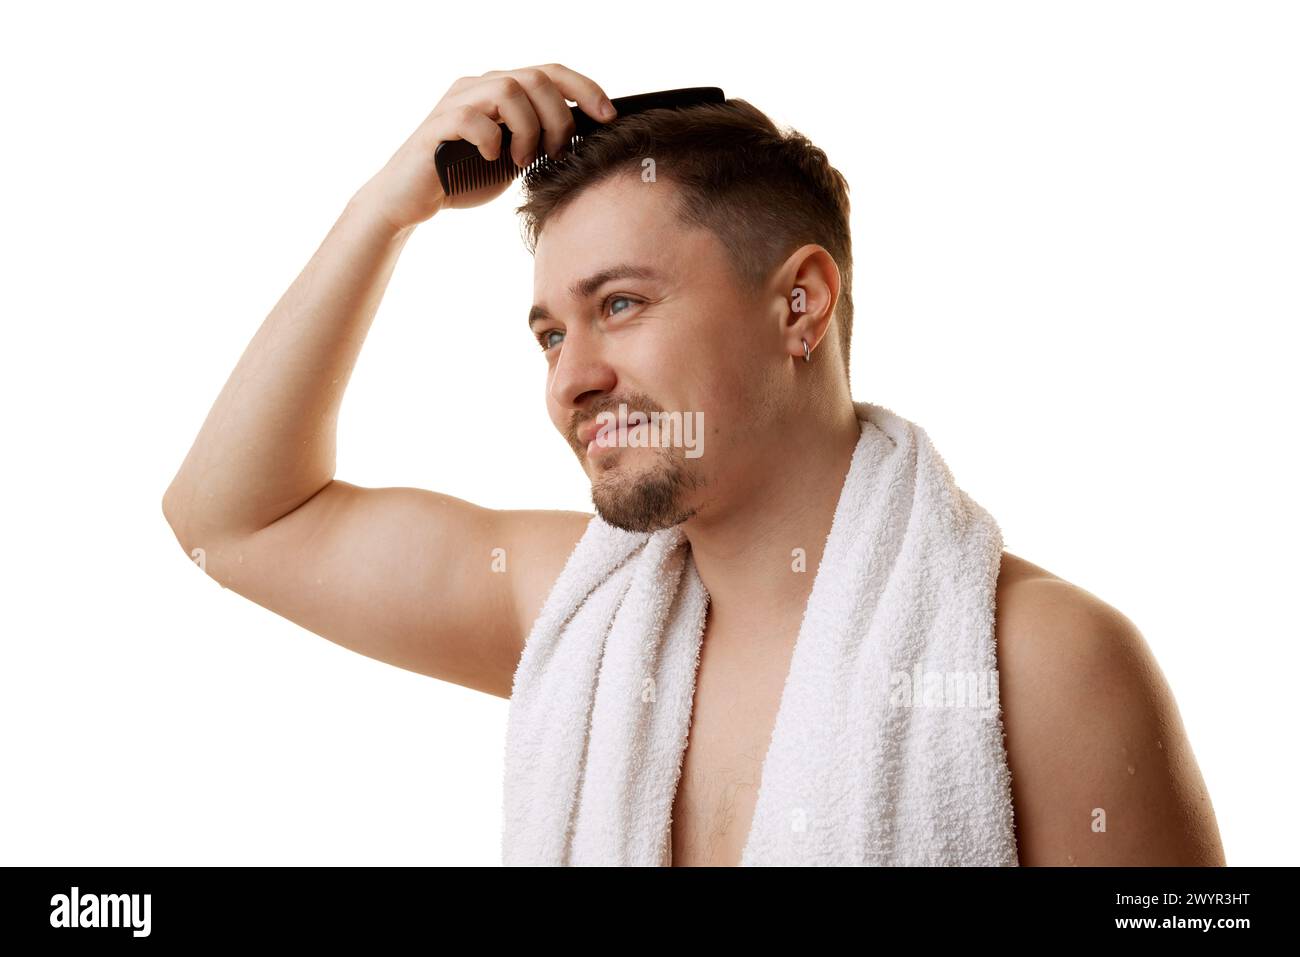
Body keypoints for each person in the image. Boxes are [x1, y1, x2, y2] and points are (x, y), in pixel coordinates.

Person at [162, 63, 1226, 866]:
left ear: (798, 304)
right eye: (547, 334)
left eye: (618, 304)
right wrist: (385, 210)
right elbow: (232, 521)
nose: (569, 379)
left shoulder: (1043, 665)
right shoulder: (570, 610)